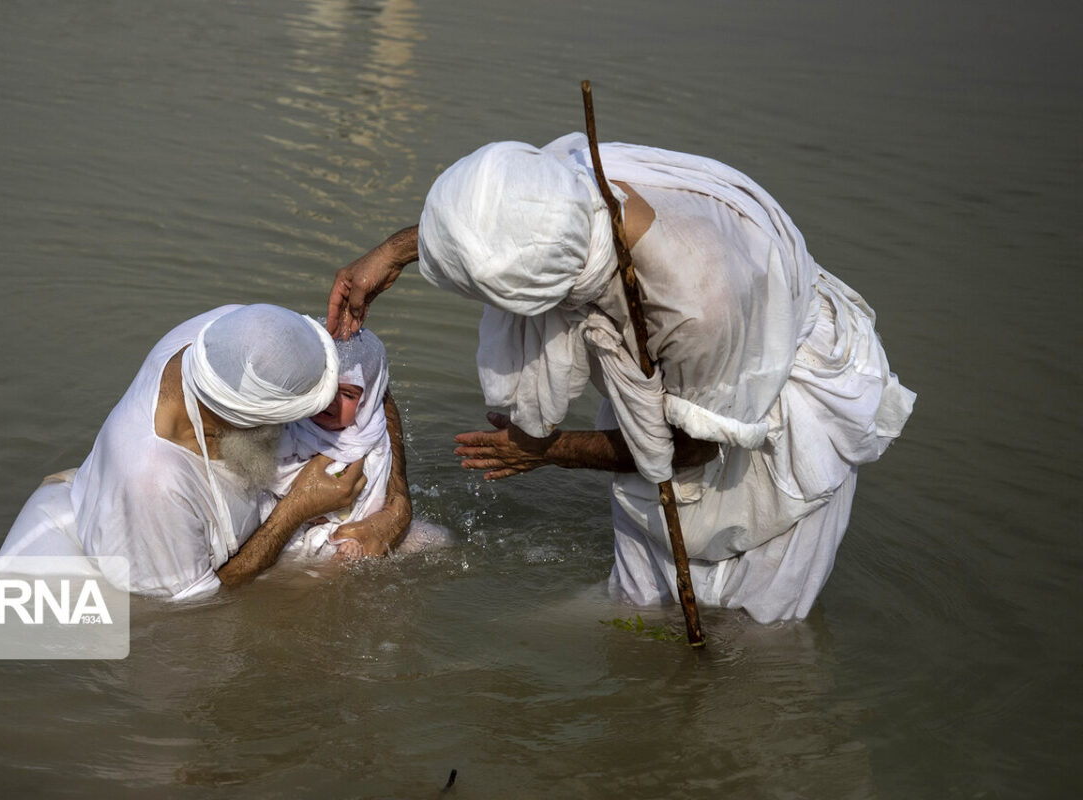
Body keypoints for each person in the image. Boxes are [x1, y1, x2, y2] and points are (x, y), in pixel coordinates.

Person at [326, 133, 916, 623]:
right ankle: (632, 619)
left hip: (766, 403)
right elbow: (483, 226)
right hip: (655, 374)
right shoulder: (557, 180)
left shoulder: (700, 304)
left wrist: (547, 450)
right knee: (641, 574)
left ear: (548, 294)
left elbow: (690, 448)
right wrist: (393, 252)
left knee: (756, 630)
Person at [0, 303, 412, 599]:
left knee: (421, 543)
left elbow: (366, 376)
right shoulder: (154, 480)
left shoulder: (232, 337)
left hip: (189, 530)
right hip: (104, 578)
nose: (327, 412)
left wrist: (396, 506)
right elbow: (203, 611)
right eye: (309, 407)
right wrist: (297, 510)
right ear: (253, 419)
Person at [262, 327, 443, 561]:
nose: (332, 401)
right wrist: (309, 506)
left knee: (435, 538)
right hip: (293, 521)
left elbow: (375, 485)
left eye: (348, 395)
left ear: (366, 401)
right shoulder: (292, 426)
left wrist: (354, 526)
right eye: (326, 389)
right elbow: (275, 474)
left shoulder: (372, 433)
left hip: (353, 523)